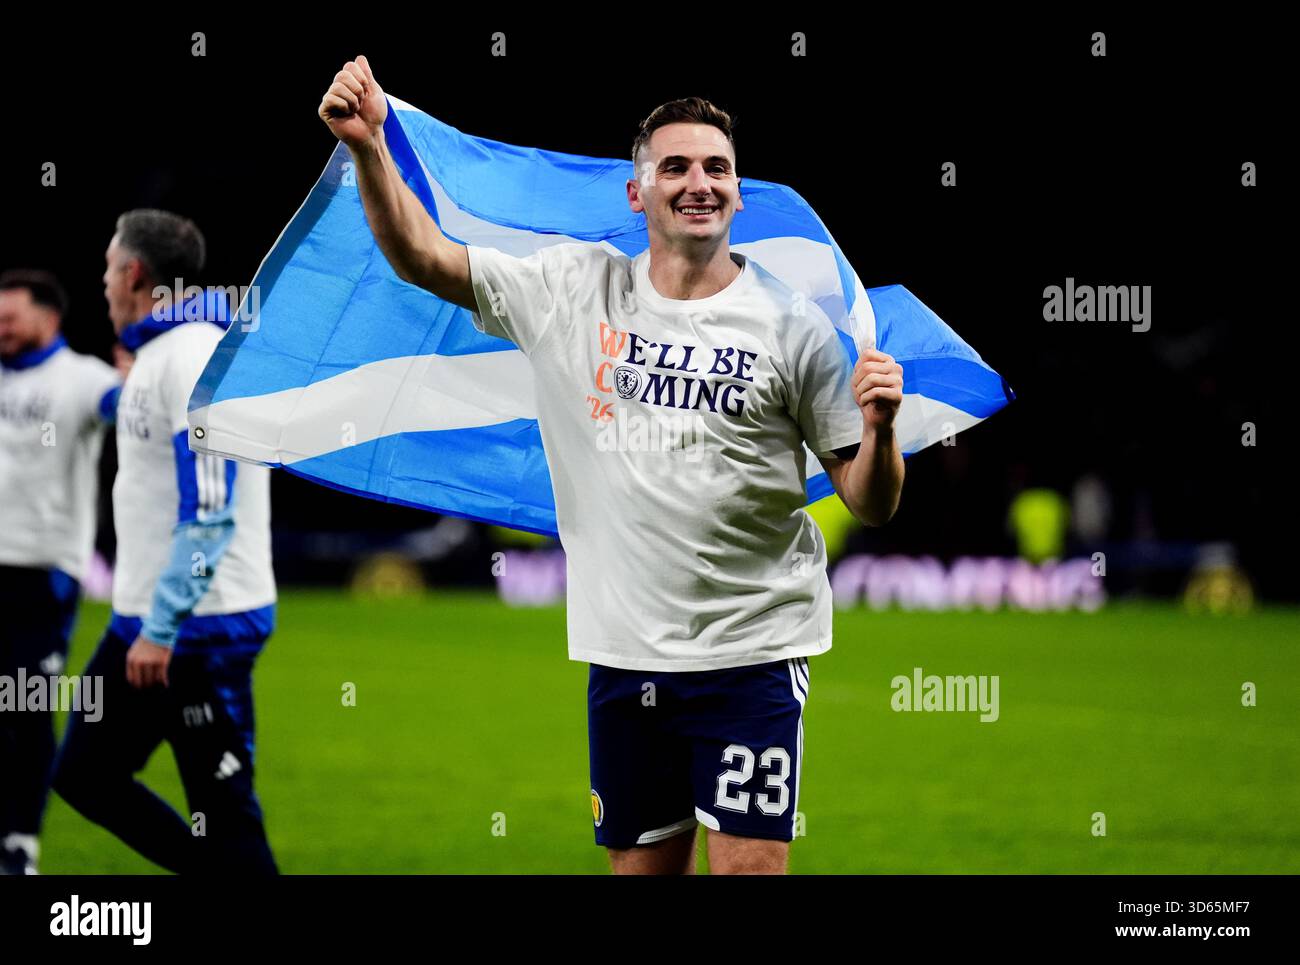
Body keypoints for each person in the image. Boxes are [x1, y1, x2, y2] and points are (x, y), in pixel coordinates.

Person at [319, 57, 905, 874]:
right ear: (638, 193)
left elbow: (868, 500)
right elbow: (425, 257)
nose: (698, 182)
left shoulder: (794, 326)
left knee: (751, 870)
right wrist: (371, 149)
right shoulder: (572, 292)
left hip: (752, 652)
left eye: (717, 168)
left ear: (738, 192)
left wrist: (878, 431)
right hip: (625, 658)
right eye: (676, 166)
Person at [51, 210, 279, 873]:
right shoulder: (164, 354)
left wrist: (163, 623)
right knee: (85, 773)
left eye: (106, 268)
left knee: (227, 813)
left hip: (196, 629)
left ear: (133, 272)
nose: (102, 283)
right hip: (146, 622)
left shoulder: (194, 355)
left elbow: (209, 505)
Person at [0, 269, 120, 875]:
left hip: (42, 576)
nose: (1, 328)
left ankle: (20, 838)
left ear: (48, 317)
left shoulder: (81, 378)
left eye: (9, 318)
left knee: (24, 709)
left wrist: (143, 380)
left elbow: (127, 406)